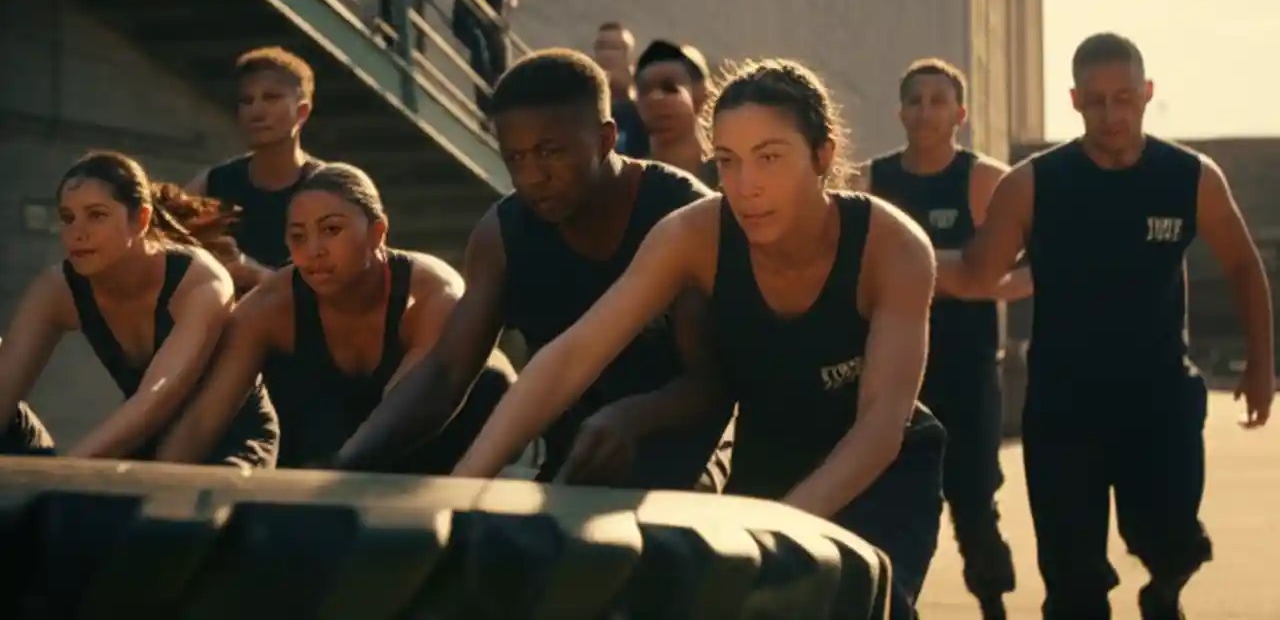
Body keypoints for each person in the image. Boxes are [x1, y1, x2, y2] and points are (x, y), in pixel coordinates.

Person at [453, 58, 947, 619]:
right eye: (729, 162)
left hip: (882, 470)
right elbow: (573, 355)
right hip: (768, 454)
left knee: (849, 606)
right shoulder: (693, 235)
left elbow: (880, 428)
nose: (746, 186)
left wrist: (777, 528)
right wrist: (460, 491)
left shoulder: (892, 247)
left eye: (770, 158)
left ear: (823, 155)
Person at [936, 32, 1275, 620]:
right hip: (1065, 407)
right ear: (1074, 101)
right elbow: (974, 273)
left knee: (1171, 540)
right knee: (1072, 582)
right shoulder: (1033, 184)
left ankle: (1163, 589)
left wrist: (1263, 364)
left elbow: (1244, 265)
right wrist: (879, 250)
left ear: (1147, 93)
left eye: (1124, 97)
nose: (1111, 114)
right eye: (1096, 101)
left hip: (1160, 398)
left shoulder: (1190, 176)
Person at [328, 49, 732, 491]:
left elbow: (711, 384)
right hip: (573, 466)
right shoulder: (501, 236)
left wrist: (631, 417)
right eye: (515, 158)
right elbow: (447, 373)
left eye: (549, 152)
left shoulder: (683, 215)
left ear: (604, 140)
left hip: (693, 465)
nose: (532, 176)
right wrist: (345, 462)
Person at [157, 163, 514, 471]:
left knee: (491, 379)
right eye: (298, 236)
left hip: (425, 434)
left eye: (331, 230)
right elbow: (203, 421)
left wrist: (340, 468)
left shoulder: (432, 293)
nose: (314, 251)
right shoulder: (269, 306)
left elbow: (409, 410)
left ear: (378, 233)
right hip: (320, 442)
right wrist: (152, 489)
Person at [855, 58, 1030, 619]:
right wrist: (957, 272)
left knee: (973, 499)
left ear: (961, 113)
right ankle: (895, 604)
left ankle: (992, 601)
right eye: (915, 100)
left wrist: (979, 285)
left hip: (968, 369)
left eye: (938, 100)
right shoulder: (870, 182)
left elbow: (1036, 266)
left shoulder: (987, 181)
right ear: (899, 112)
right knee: (893, 497)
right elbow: (853, 271)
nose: (926, 110)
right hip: (892, 367)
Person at [0, 151, 278, 467]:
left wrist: (65, 472)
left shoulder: (199, 281)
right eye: (67, 217)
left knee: (161, 513)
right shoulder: (57, 288)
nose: (77, 232)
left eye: (97, 215)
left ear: (141, 219)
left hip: (228, 447)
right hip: (142, 443)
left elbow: (155, 397)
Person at [188, 46, 324, 295]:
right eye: (247, 101)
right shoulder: (211, 185)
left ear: (302, 112)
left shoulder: (330, 188)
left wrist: (253, 274)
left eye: (271, 98)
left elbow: (346, 293)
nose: (257, 111)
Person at [634, 39, 718, 185]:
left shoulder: (728, 176)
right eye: (645, 89)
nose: (655, 98)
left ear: (702, 95)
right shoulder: (631, 184)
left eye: (669, 87)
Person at [592, 21, 649, 158]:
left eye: (616, 48)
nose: (608, 54)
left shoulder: (646, 108)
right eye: (602, 47)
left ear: (631, 57)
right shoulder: (584, 108)